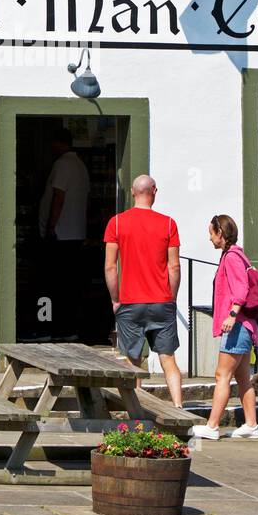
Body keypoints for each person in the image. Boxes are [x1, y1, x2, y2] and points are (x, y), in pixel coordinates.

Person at [103, 174, 183, 407]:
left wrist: (115, 299)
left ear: (132, 192)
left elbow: (110, 266)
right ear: (154, 192)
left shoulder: (116, 223)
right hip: (162, 301)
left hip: (130, 301)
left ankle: (136, 413)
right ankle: (178, 408)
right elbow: (174, 266)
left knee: (132, 362)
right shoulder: (169, 223)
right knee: (169, 361)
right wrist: (172, 297)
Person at [190, 215, 258, 440]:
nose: (209, 238)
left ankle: (211, 427)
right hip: (244, 326)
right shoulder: (235, 254)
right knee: (242, 378)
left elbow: (240, 290)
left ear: (220, 233)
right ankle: (251, 425)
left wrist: (231, 315)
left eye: (211, 233)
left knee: (222, 375)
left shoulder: (231, 257)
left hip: (238, 326)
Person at [37, 128, 91, 339]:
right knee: (71, 285)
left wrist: (50, 227)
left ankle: (49, 328)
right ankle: (69, 329)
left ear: (59, 143)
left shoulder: (62, 164)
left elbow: (58, 197)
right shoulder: (80, 166)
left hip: (60, 234)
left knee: (52, 285)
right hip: (76, 233)